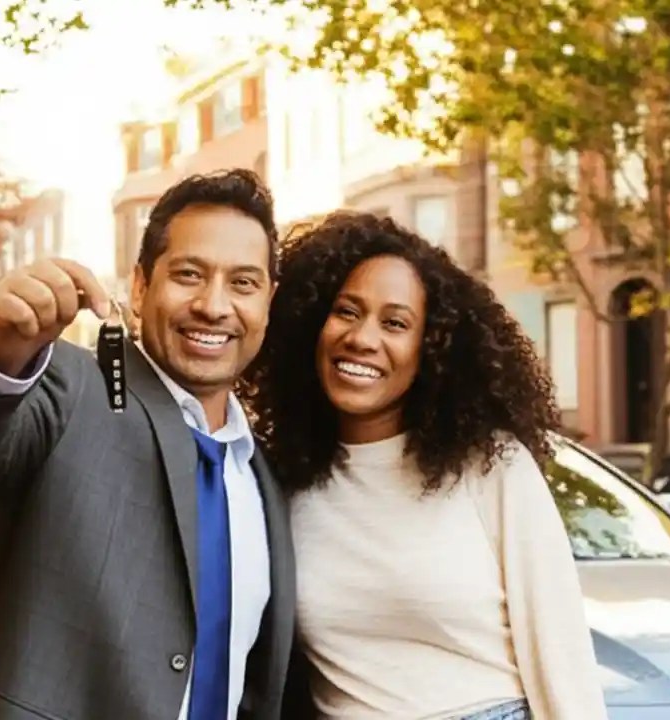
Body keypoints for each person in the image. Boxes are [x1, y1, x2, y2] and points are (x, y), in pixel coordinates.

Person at [0, 169, 296, 720]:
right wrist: (1, 351)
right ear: (139, 287)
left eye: (243, 283)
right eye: (189, 274)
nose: (214, 305)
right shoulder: (71, 389)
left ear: (268, 302)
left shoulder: (265, 475)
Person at [249, 212, 608, 720]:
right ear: (311, 324)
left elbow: (561, 649)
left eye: (395, 323)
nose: (362, 338)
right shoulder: (284, 478)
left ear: (431, 350)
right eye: (346, 311)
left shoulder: (488, 466)